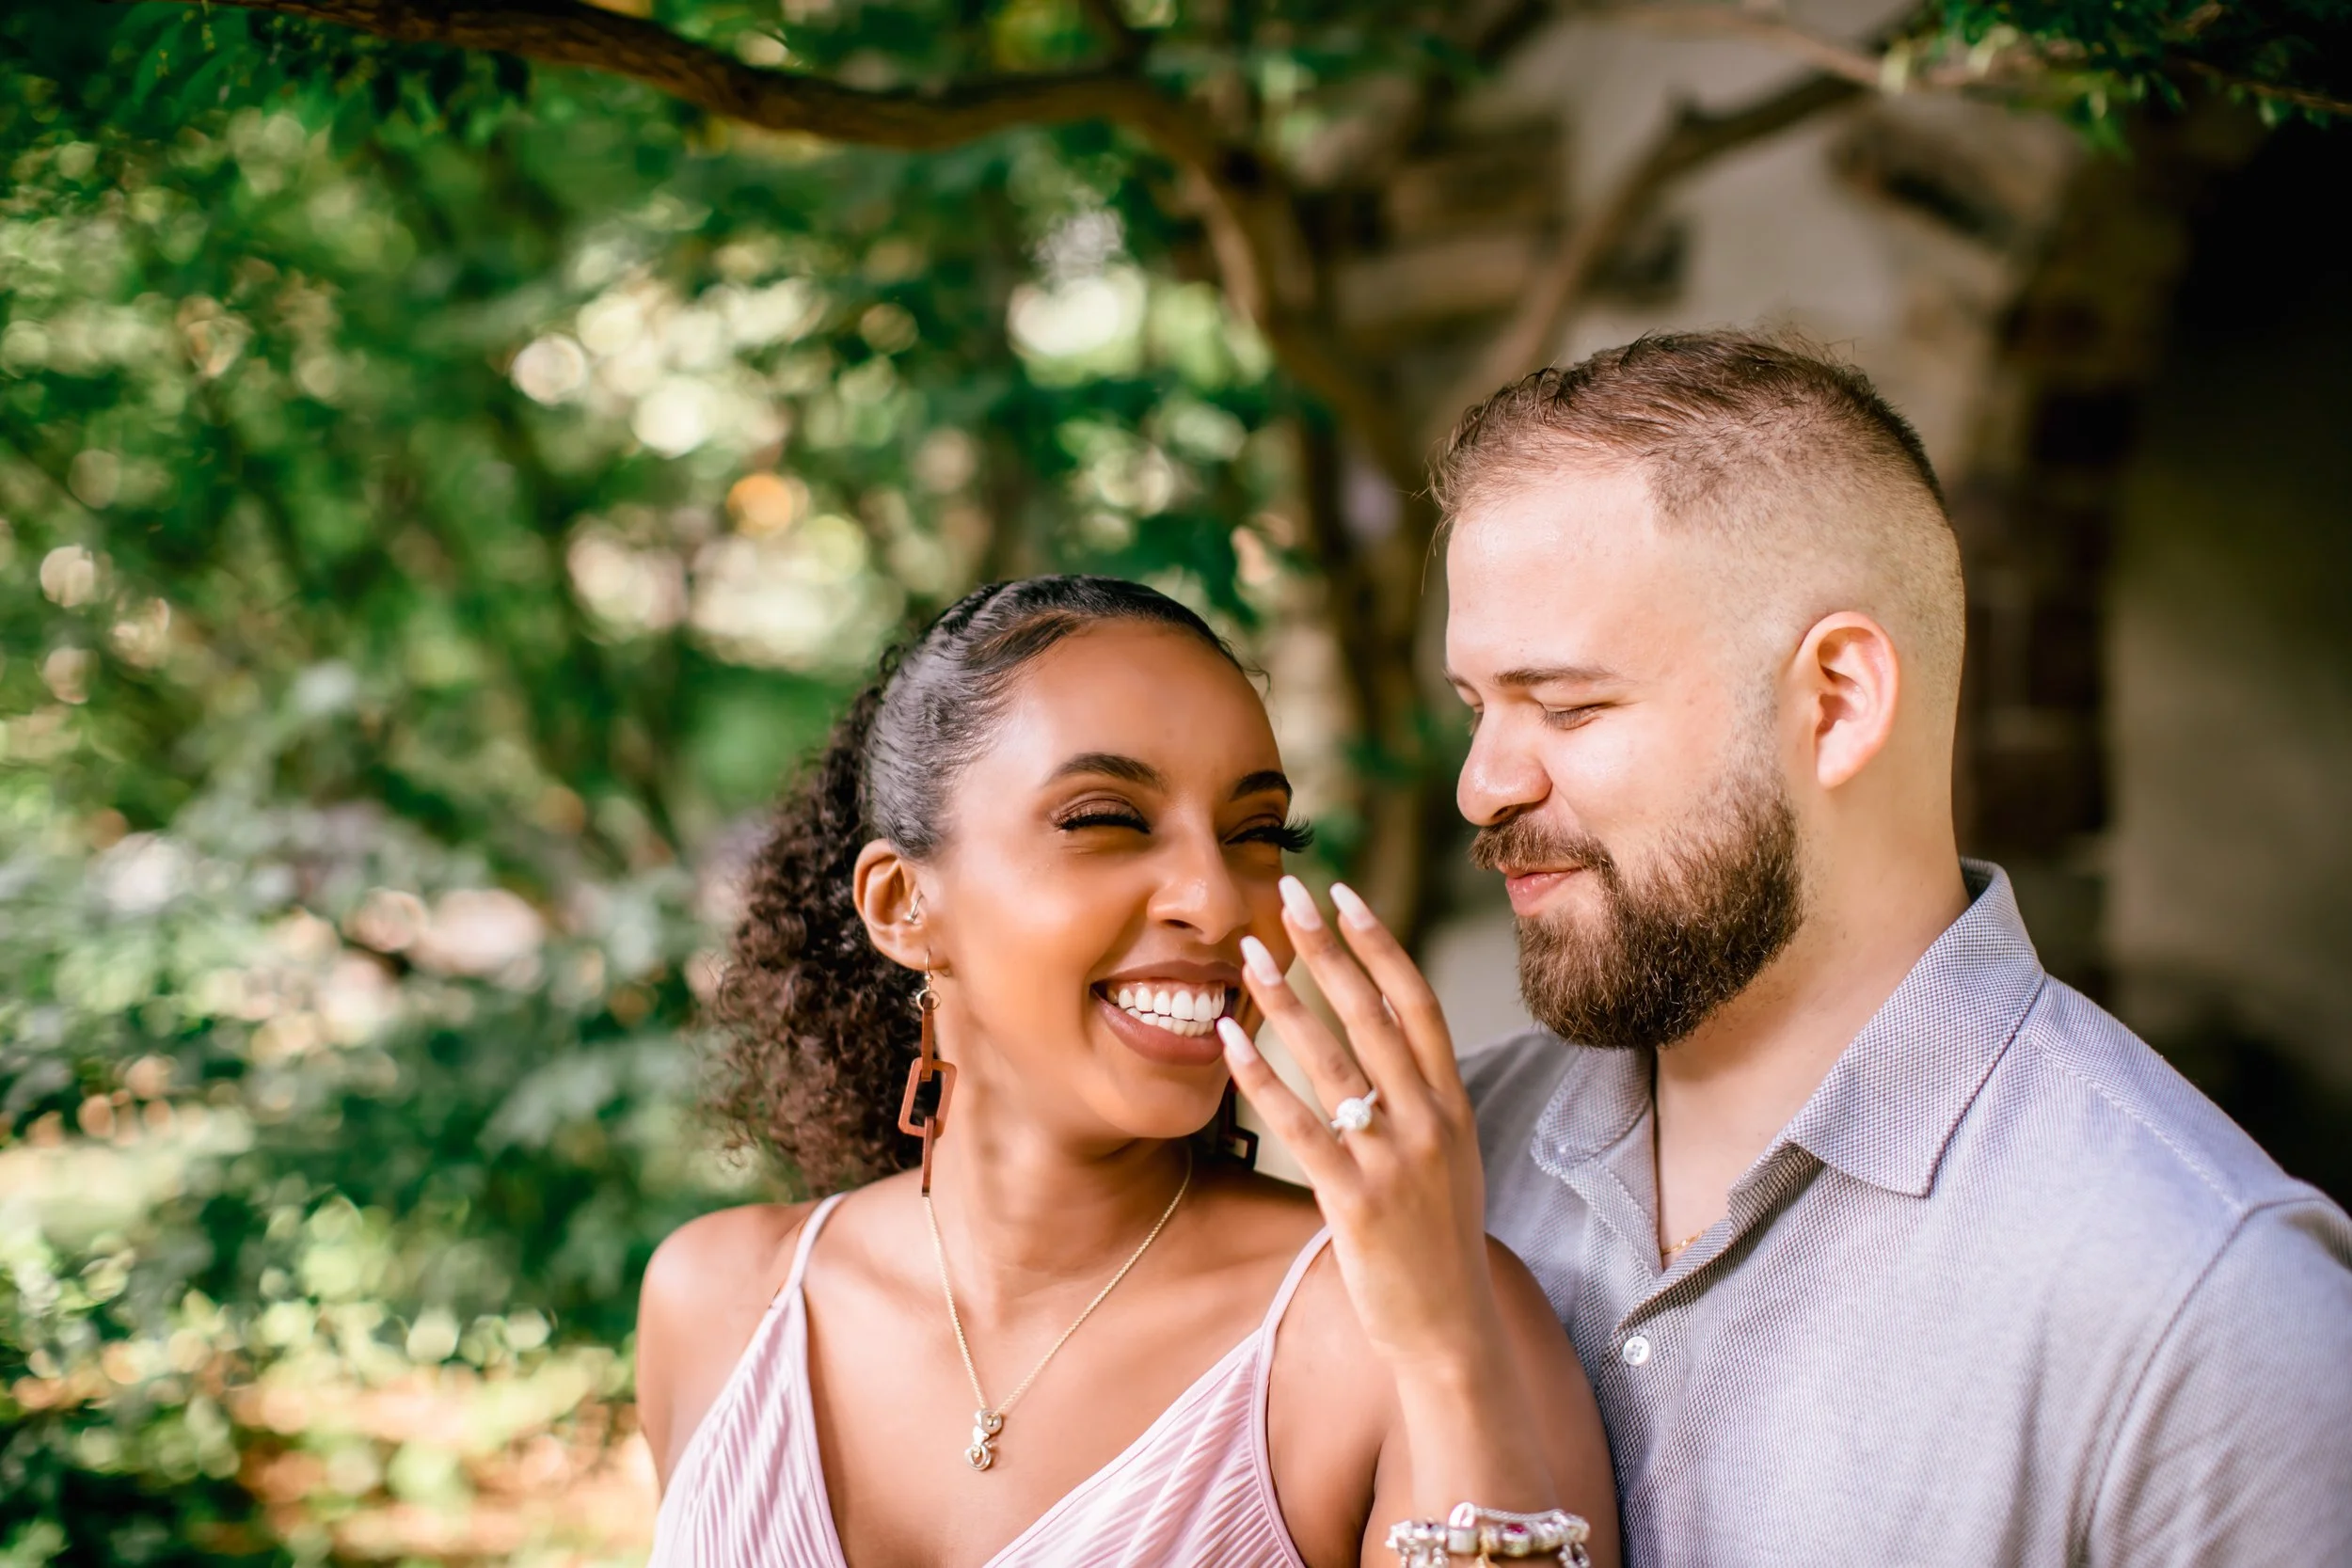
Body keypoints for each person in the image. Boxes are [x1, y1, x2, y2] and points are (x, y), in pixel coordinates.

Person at [1413, 331, 2352, 1565]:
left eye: (1569, 705)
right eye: (1477, 708)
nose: (1482, 785)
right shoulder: (1442, 1163)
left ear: (1838, 701)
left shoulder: (2210, 1306)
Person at [635, 577, 1619, 1568]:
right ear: (902, 904)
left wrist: (1446, 1358)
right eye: (1106, 818)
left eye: (1256, 834)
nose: (1216, 900)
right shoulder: (717, 1300)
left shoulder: (1404, 1324)